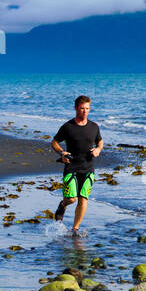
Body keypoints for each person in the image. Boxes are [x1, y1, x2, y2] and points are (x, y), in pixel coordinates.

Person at [51, 95, 103, 236]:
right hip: (71, 167)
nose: (85, 111)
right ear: (76, 108)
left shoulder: (94, 127)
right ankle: (63, 205)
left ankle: (75, 229)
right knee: (72, 199)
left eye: (87, 108)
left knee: (83, 198)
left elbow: (100, 142)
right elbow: (54, 142)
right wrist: (62, 152)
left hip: (88, 168)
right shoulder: (68, 127)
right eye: (82, 108)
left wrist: (98, 149)